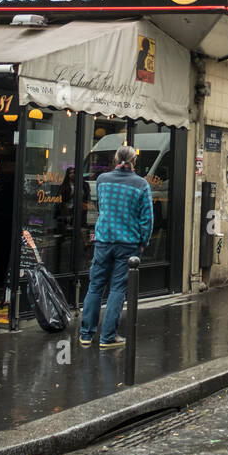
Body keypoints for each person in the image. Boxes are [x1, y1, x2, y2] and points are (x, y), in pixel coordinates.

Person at [80, 144, 153, 349]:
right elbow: (147, 219)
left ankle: (86, 334)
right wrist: (143, 243)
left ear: (115, 159)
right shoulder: (141, 185)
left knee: (95, 286)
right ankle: (108, 336)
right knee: (117, 289)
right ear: (134, 162)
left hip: (103, 241)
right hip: (128, 243)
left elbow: (101, 207)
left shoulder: (102, 180)